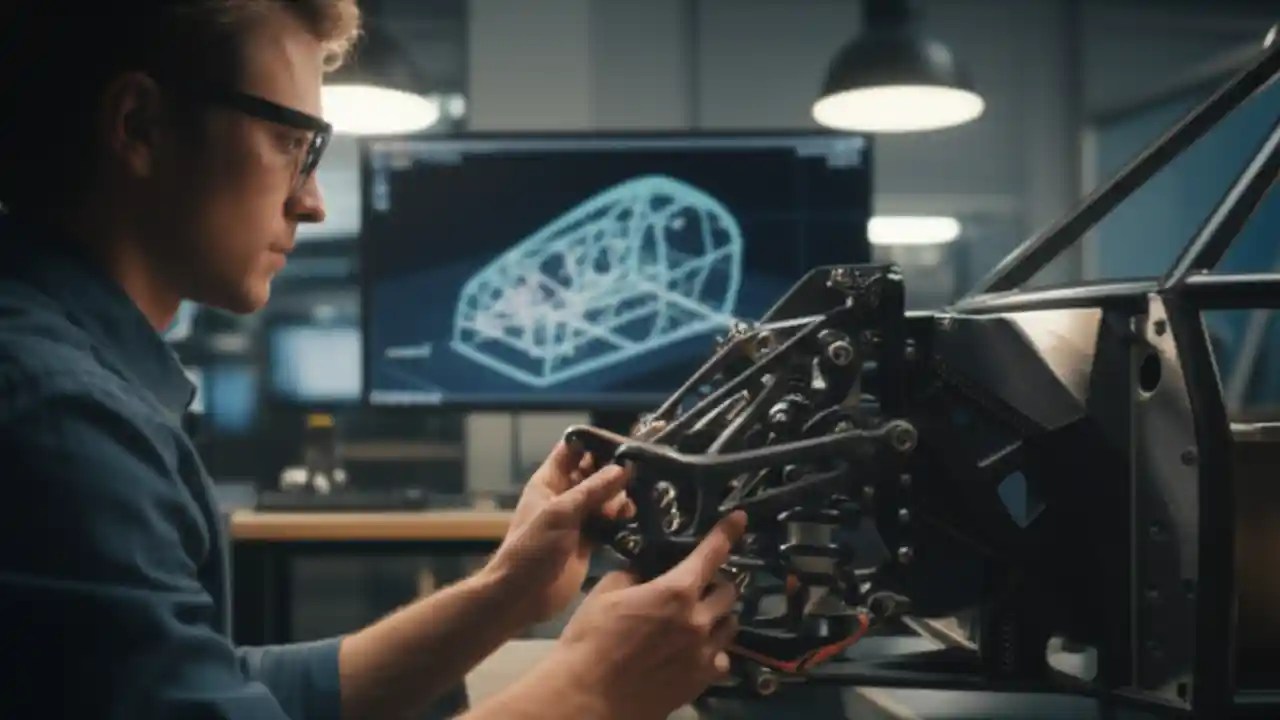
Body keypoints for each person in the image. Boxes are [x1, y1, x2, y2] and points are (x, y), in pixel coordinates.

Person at [0, 3, 746, 719]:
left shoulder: (65, 384)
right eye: (291, 143)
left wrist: (507, 593)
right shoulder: (60, 421)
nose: (313, 202)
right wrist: (590, 693)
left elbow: (214, 692)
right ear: (140, 126)